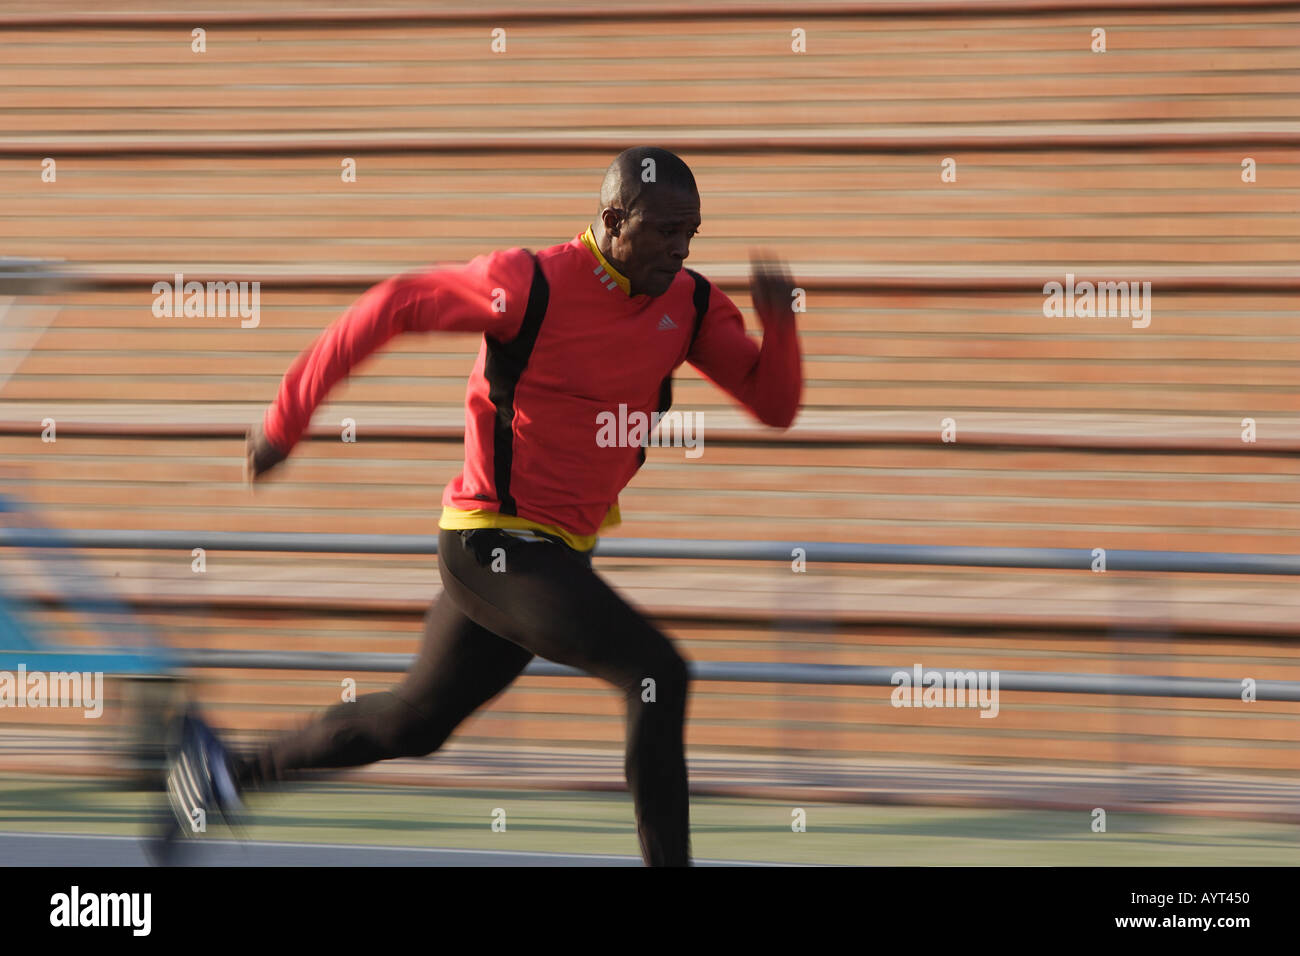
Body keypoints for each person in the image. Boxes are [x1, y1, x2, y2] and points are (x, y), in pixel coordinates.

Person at [163, 146, 802, 867]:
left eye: (692, 232)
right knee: (656, 673)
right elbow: (393, 305)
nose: (679, 248)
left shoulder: (686, 303)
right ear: (613, 220)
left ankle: (219, 771)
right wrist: (286, 419)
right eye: (663, 231)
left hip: (558, 554)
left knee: (414, 723)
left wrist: (780, 329)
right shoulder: (530, 284)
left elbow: (773, 405)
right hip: (490, 544)